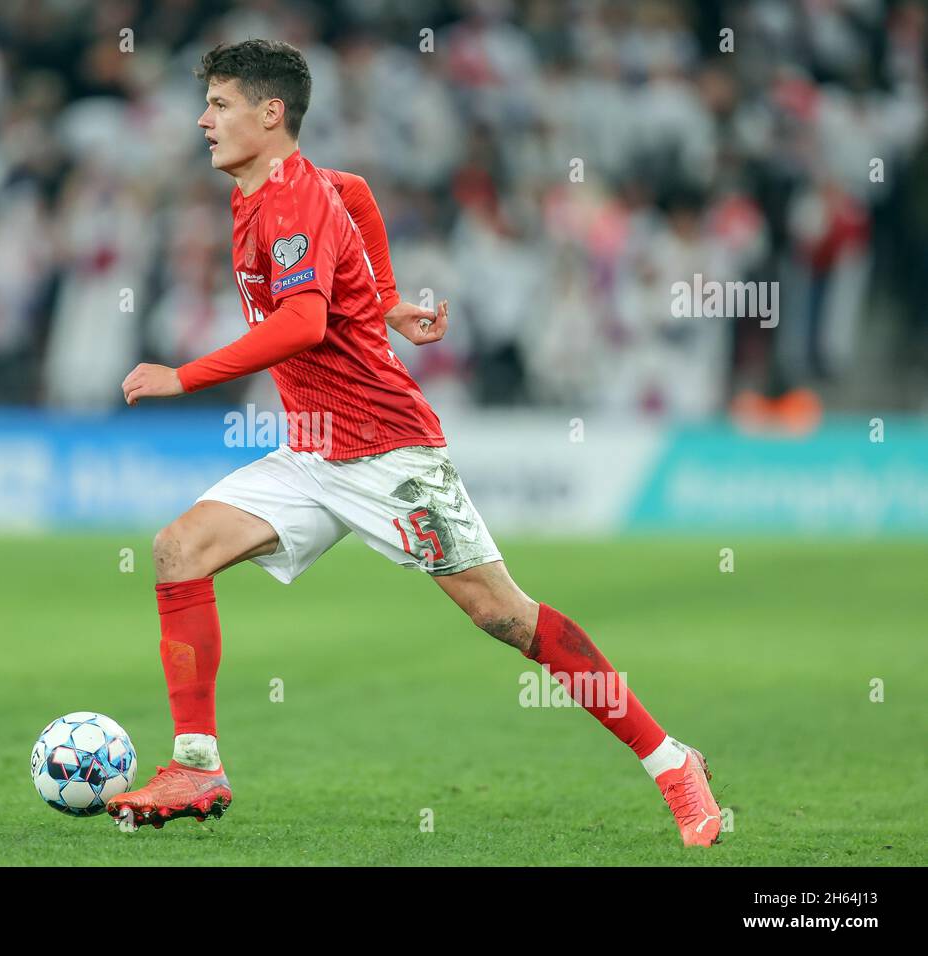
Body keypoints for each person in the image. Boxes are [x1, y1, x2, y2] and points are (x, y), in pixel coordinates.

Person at [113, 39, 721, 847]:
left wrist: (183, 377)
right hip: (312, 452)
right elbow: (357, 193)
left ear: (272, 114)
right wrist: (390, 303)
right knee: (177, 550)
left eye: (220, 105)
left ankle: (672, 760)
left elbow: (302, 323)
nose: (204, 119)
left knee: (503, 616)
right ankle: (197, 763)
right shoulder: (279, 187)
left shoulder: (292, 203)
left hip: (387, 453)